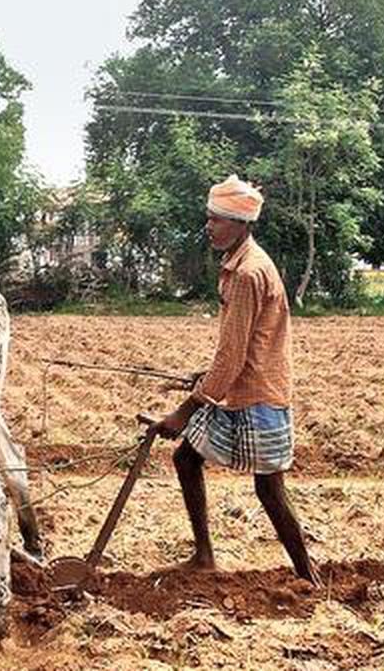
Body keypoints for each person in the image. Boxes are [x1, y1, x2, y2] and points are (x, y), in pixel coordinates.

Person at [150, 174, 317, 584]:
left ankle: (309, 577)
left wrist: (183, 412)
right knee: (186, 458)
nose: (209, 226)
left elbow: (233, 356)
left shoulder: (247, 273)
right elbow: (234, 350)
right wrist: (205, 378)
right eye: (209, 218)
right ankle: (204, 555)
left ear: (242, 224)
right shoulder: (241, 263)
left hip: (258, 393)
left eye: (218, 220)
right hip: (242, 386)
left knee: (270, 491)